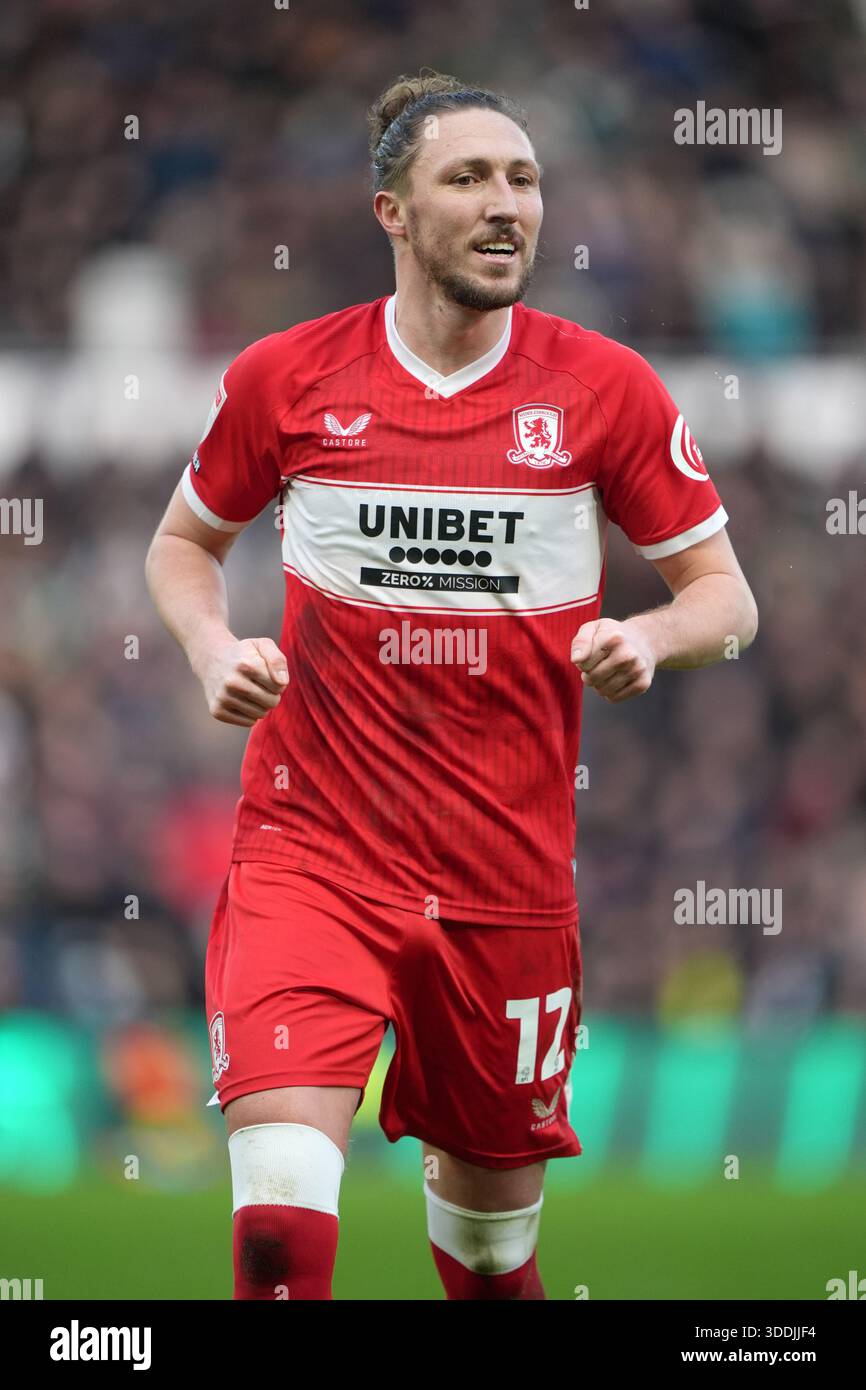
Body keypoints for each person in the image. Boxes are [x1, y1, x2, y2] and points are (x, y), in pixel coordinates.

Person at [145, 68, 758, 1301]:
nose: (506, 204)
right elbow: (181, 546)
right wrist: (214, 651)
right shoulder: (287, 379)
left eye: (523, 179)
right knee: (275, 1233)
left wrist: (649, 636)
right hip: (309, 855)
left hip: (504, 883)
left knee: (487, 1266)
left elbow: (727, 600)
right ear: (392, 212)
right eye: (468, 178)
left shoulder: (603, 390)